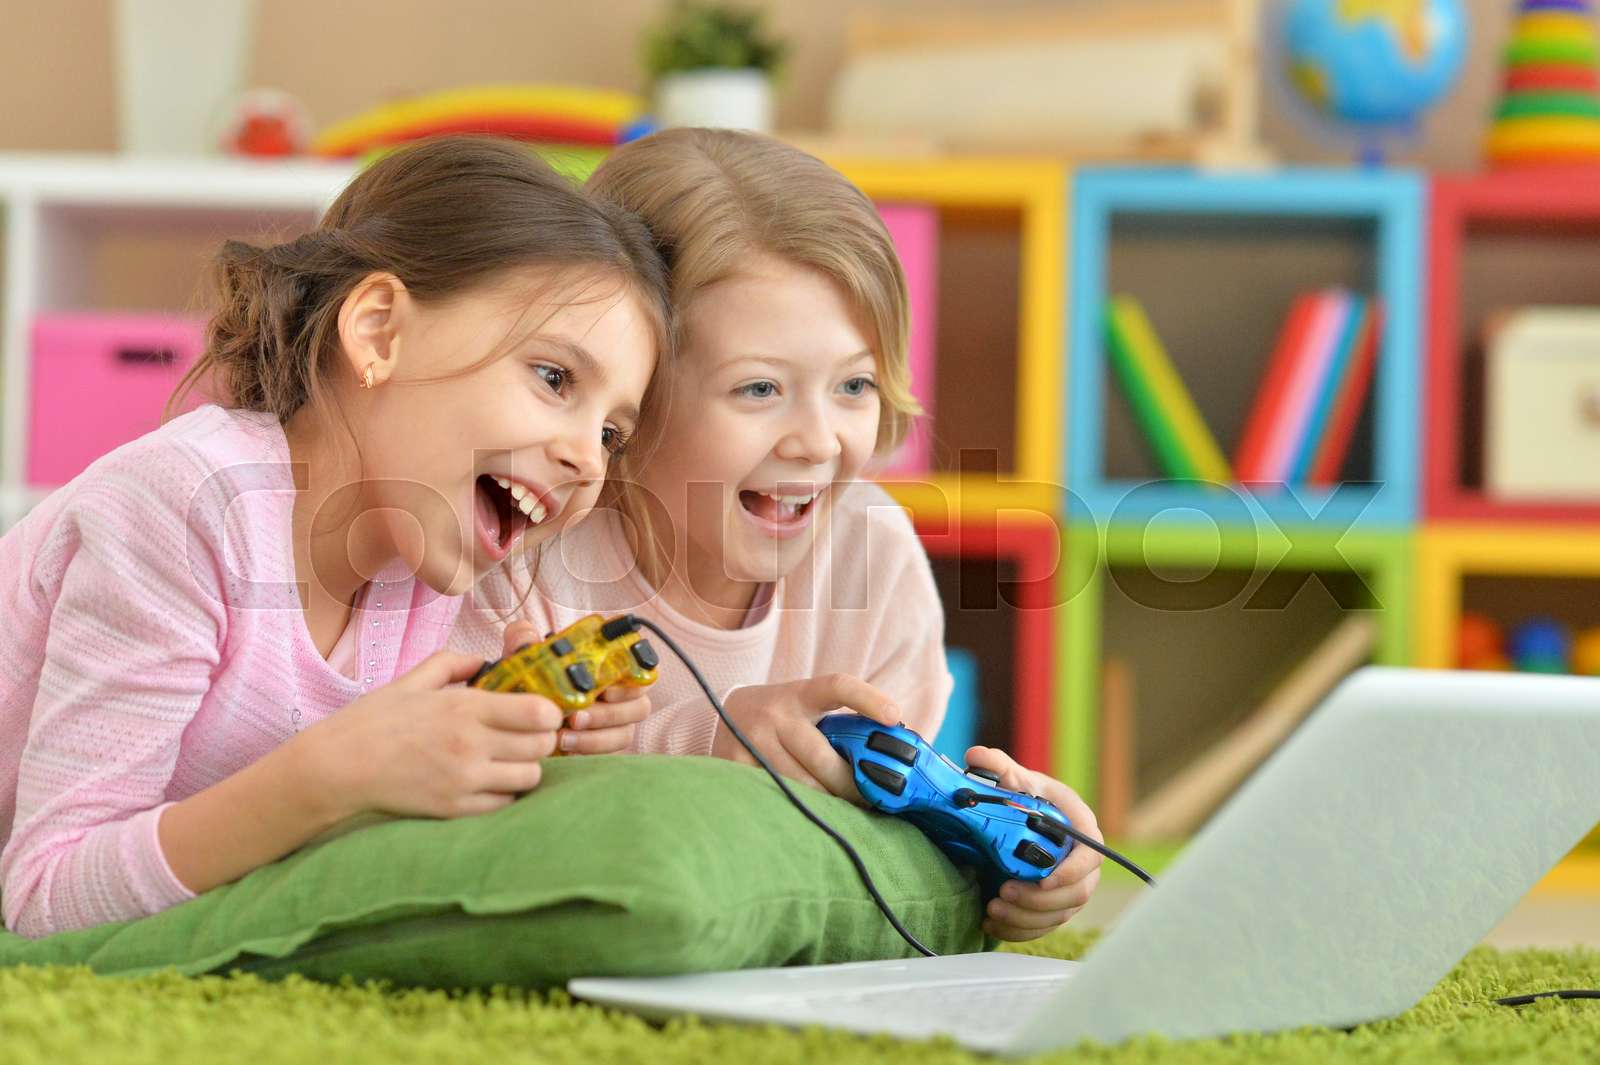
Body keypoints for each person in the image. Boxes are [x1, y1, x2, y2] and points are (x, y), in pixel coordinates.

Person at [0, 137, 667, 937]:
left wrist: (531, 750)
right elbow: (44, 898)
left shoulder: (431, 556)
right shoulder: (183, 507)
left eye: (612, 434)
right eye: (554, 377)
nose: (585, 458)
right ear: (379, 331)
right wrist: (332, 774)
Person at [454, 129, 1102, 942]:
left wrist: (1001, 852)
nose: (819, 440)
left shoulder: (872, 550)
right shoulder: (523, 552)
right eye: (759, 388)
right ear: (633, 397)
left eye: (854, 385)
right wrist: (714, 749)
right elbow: (457, 832)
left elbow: (890, 837)